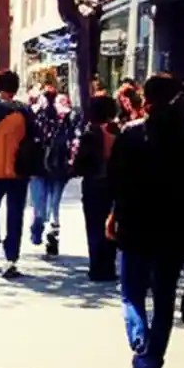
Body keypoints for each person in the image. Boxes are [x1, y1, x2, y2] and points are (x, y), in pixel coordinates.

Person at [106, 74, 184, 368]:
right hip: (176, 229)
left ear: (145, 98)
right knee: (164, 297)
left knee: (131, 292)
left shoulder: (131, 135)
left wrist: (115, 215)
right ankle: (151, 360)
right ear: (177, 98)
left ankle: (139, 338)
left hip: (135, 225)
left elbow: (118, 181)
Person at [0, 70, 39, 280]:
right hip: (19, 172)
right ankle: (11, 258)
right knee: (15, 214)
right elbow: (35, 139)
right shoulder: (26, 111)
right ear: (16, 88)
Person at [72, 95, 120, 281]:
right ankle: (108, 266)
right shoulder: (117, 132)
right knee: (111, 224)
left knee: (93, 226)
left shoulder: (89, 133)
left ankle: (96, 267)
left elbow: (79, 163)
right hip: (113, 184)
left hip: (93, 184)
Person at [29, 85, 78, 256]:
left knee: (39, 204)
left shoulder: (35, 113)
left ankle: (38, 227)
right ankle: (52, 231)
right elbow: (73, 139)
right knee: (54, 203)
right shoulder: (65, 115)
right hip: (59, 166)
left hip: (38, 166)